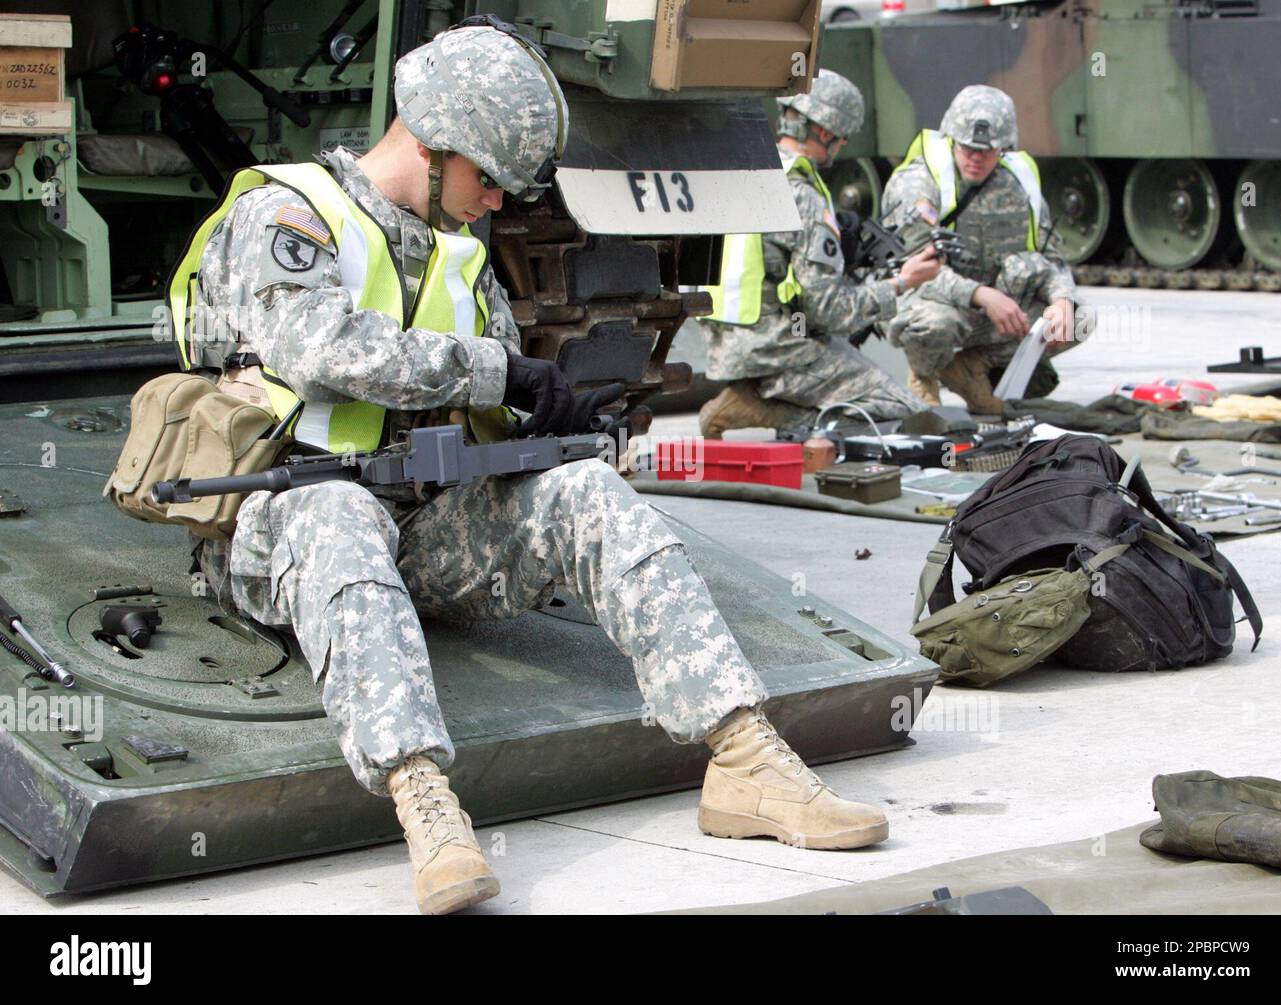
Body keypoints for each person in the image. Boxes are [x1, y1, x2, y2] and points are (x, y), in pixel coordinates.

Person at [170, 23, 891, 916]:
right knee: (334, 513)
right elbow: (318, 348)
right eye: (489, 179)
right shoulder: (288, 214)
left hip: (421, 527)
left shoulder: (461, 249)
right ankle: (426, 807)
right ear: (431, 144)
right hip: (276, 526)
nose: (499, 202)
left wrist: (543, 414)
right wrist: (496, 372)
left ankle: (745, 760)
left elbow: (502, 377)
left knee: (586, 491)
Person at [697, 70, 941, 437]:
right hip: (776, 349)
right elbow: (828, 310)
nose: (841, 147)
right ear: (825, 133)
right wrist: (901, 283)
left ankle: (756, 397)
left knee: (847, 362)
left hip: (727, 342)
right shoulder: (804, 196)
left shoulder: (746, 170)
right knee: (904, 414)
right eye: (841, 140)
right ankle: (759, 410)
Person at [879, 85, 1086, 414]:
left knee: (1079, 318)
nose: (976, 158)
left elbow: (1052, 258)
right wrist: (982, 296)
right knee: (935, 325)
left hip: (994, 309)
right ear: (952, 139)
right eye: (967, 147)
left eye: (987, 151)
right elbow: (911, 270)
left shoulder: (1019, 182)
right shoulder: (917, 183)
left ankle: (971, 367)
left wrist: (1062, 300)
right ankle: (924, 376)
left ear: (1004, 148)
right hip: (930, 301)